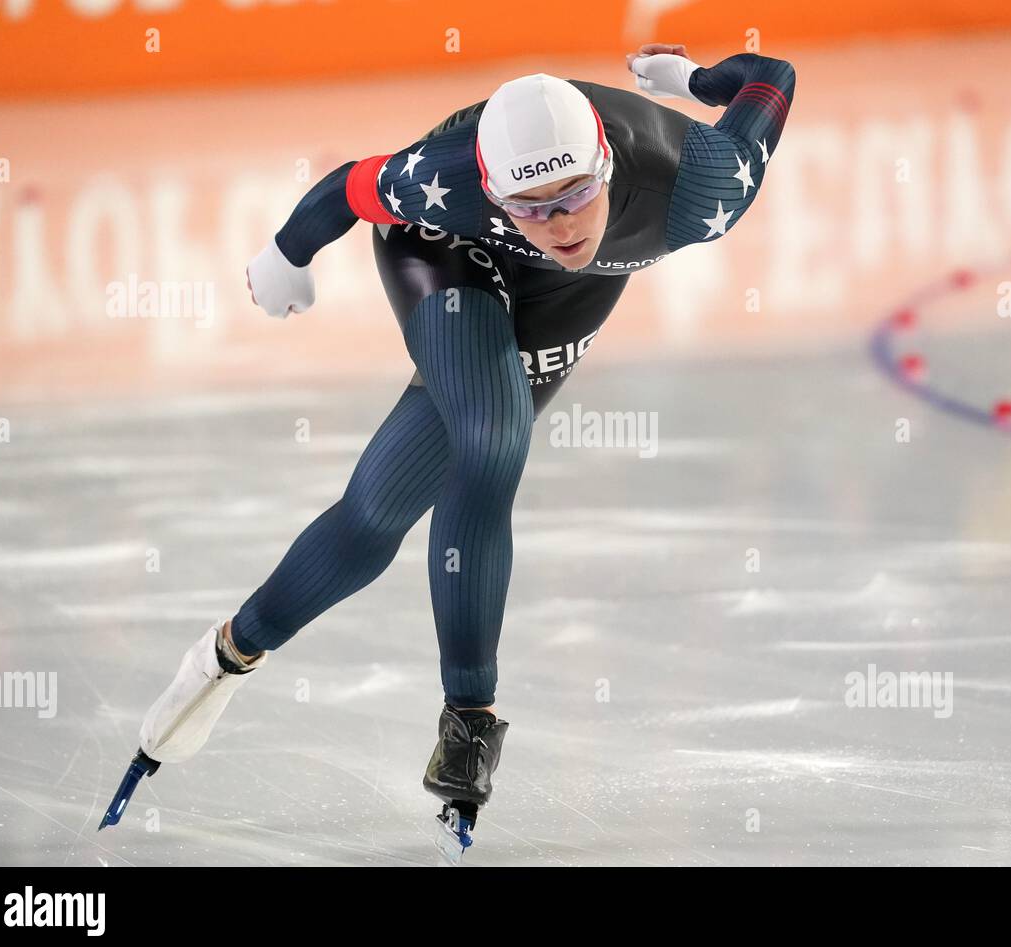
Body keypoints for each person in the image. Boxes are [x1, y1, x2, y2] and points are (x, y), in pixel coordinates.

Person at [108, 43, 796, 854]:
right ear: (499, 191)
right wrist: (286, 254)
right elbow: (353, 186)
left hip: (574, 292)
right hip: (443, 247)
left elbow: (772, 78)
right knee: (492, 437)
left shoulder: (703, 185)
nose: (562, 223)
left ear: (605, 165)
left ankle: (227, 652)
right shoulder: (446, 182)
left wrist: (691, 82)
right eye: (534, 206)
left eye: (575, 195)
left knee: (376, 513)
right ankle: (470, 719)